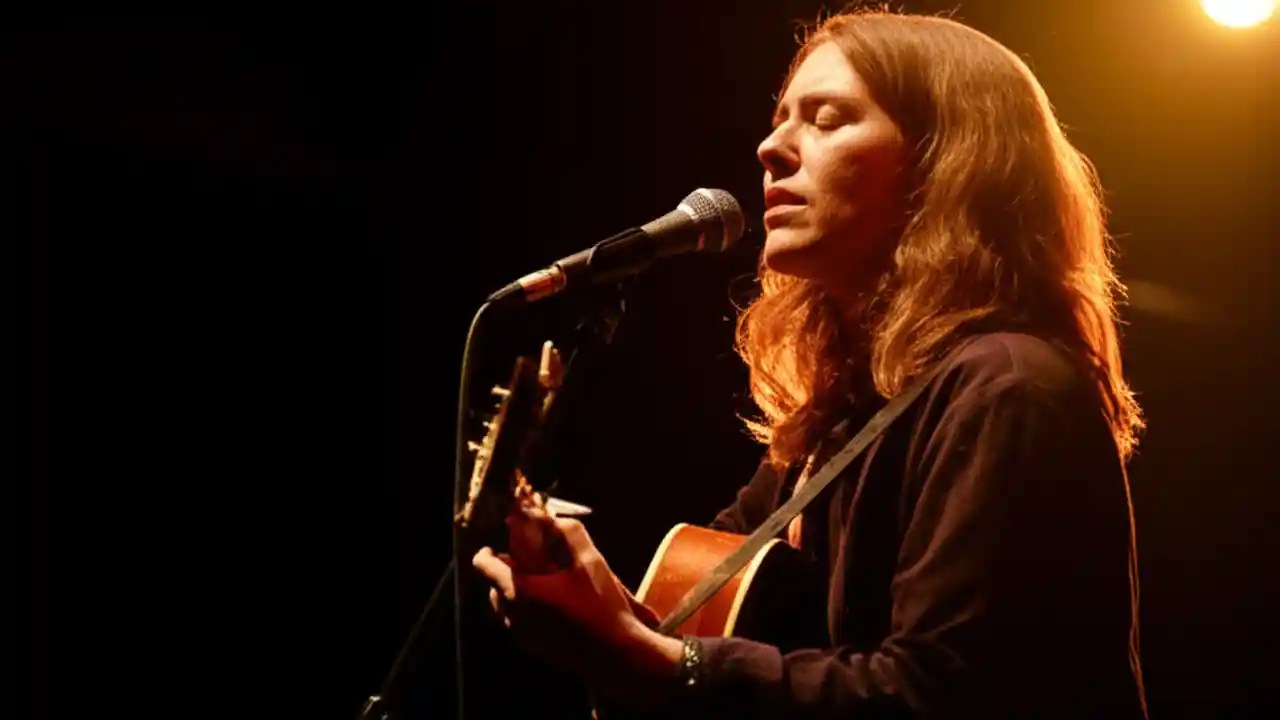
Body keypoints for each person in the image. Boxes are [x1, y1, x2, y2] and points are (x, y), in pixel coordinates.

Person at [471, 8, 1148, 718]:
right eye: (781, 119)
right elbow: (693, 623)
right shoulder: (837, 427)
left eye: (827, 119)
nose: (770, 148)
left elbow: (938, 695)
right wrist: (594, 610)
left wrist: (656, 662)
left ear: (945, 163)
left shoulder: (1009, 385)